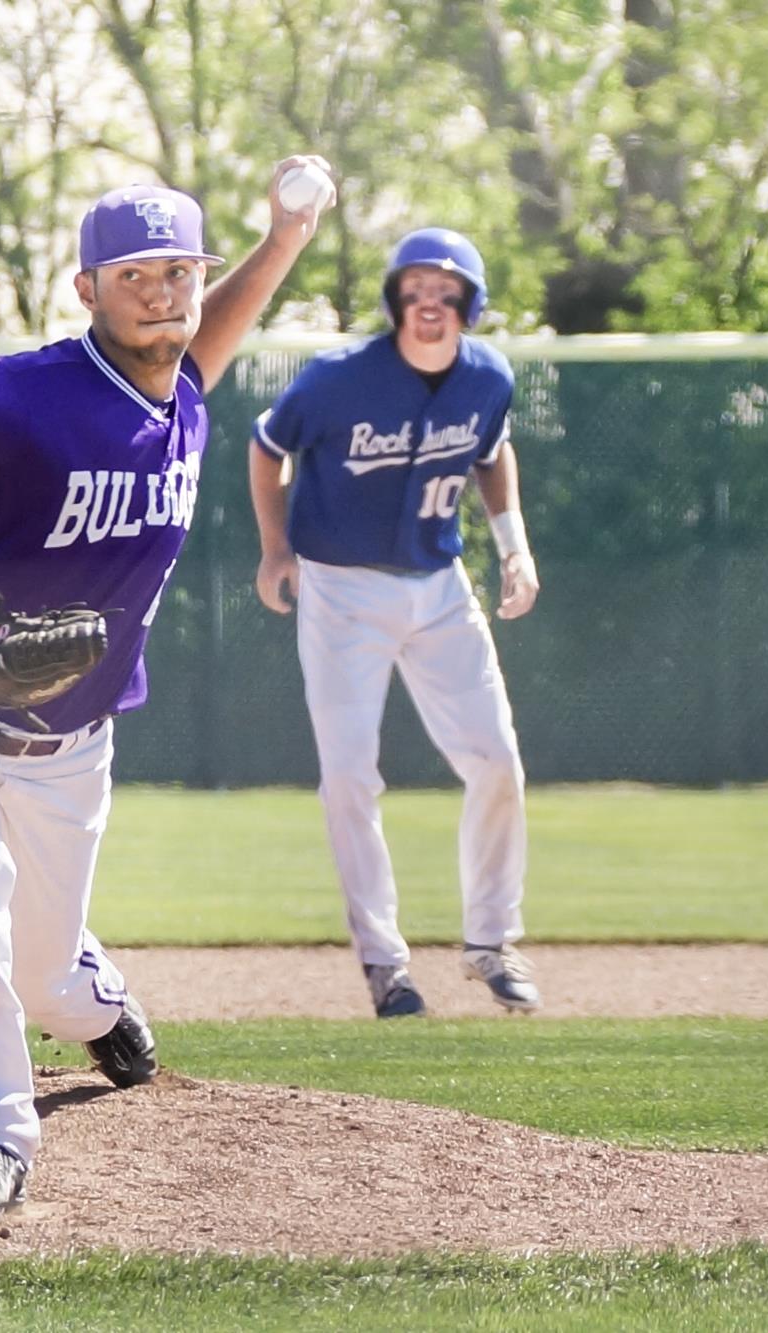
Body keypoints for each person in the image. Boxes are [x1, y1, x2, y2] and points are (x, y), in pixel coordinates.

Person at [0, 159, 331, 1221]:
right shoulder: (16, 395)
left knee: (44, 968)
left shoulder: (180, 394)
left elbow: (208, 339)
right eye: (131, 274)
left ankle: (92, 1005)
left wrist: (283, 238)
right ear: (86, 289)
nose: (160, 291)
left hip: (69, 743)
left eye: (177, 270)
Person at [247, 227, 542, 1021]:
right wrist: (275, 548)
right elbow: (267, 446)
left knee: (497, 760)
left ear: (470, 304)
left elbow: (493, 451)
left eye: (446, 291)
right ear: (394, 300)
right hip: (341, 591)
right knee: (349, 775)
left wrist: (514, 547)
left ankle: (491, 943)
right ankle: (385, 962)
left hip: (439, 585)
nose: (429, 302)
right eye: (415, 289)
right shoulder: (338, 377)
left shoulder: (488, 376)